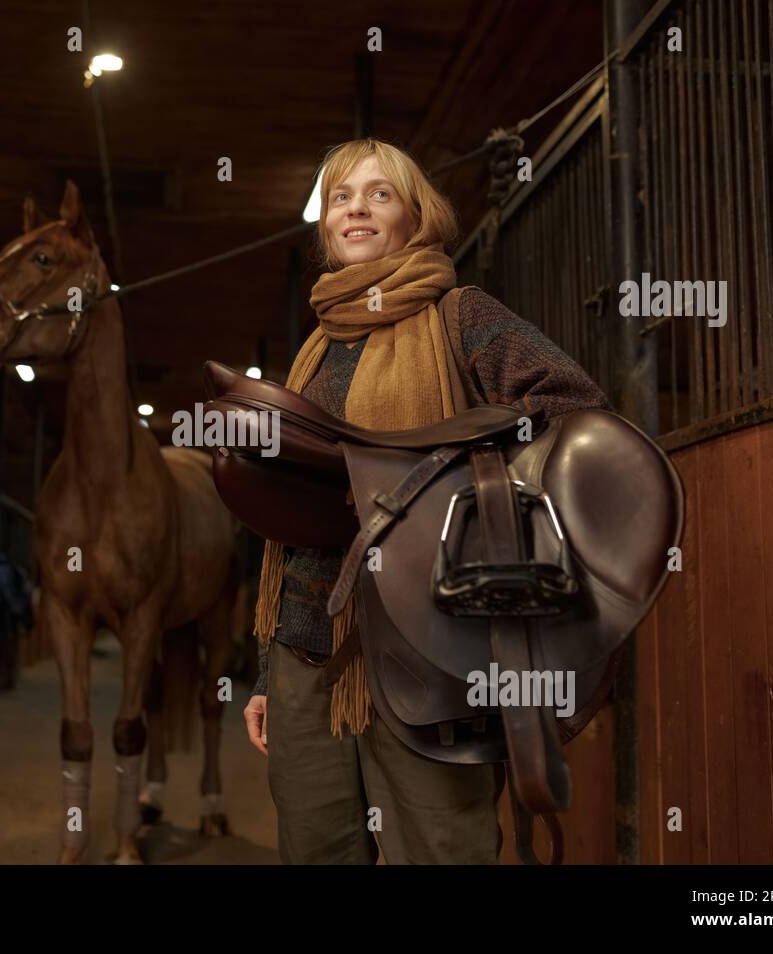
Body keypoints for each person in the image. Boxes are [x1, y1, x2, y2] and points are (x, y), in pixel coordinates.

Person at [241, 137, 609, 865]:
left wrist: (445, 472)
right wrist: (263, 675)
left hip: (428, 641)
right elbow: (291, 519)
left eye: (380, 194)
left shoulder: (459, 315)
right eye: (342, 196)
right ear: (326, 224)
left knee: (440, 846)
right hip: (305, 647)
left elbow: (574, 407)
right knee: (315, 845)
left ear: (416, 215)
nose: (357, 209)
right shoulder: (318, 342)